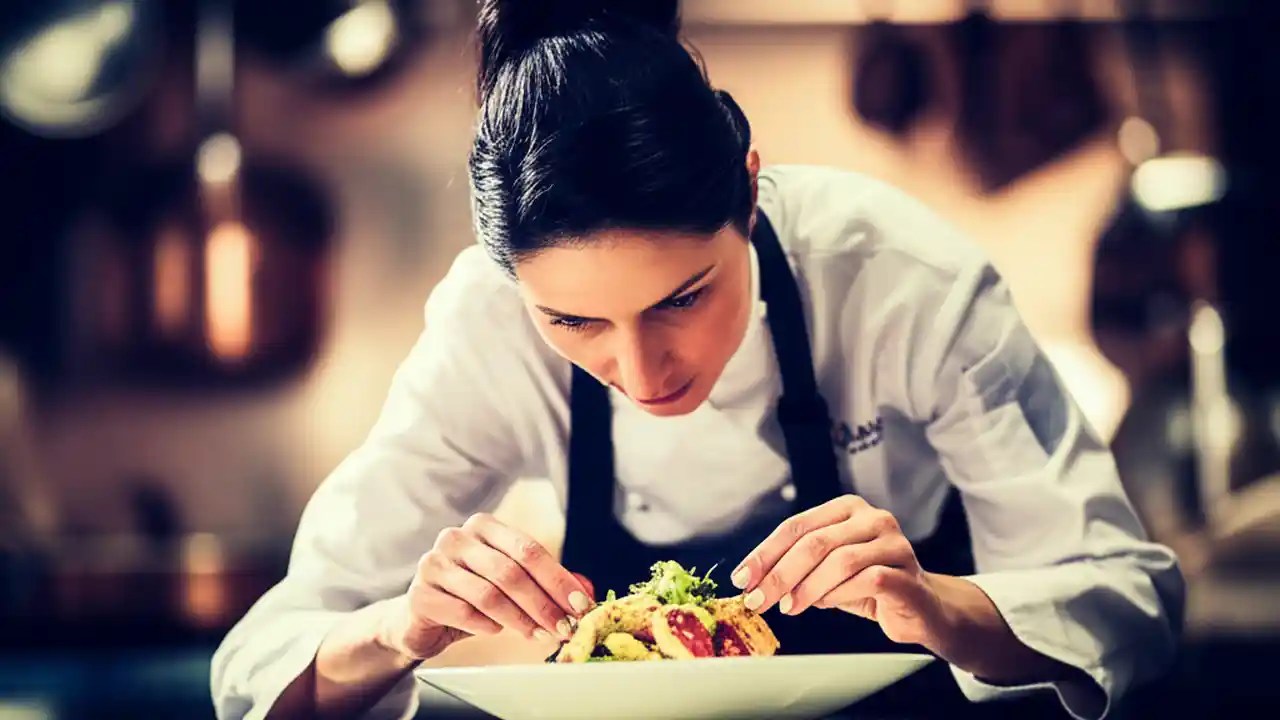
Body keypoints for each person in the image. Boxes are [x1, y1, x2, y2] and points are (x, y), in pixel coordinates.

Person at [211, 2, 1183, 718]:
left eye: (680, 298)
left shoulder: (897, 278)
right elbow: (257, 667)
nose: (641, 374)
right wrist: (401, 629)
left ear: (749, 197)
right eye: (573, 323)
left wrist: (933, 606)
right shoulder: (483, 325)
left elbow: (1127, 604)